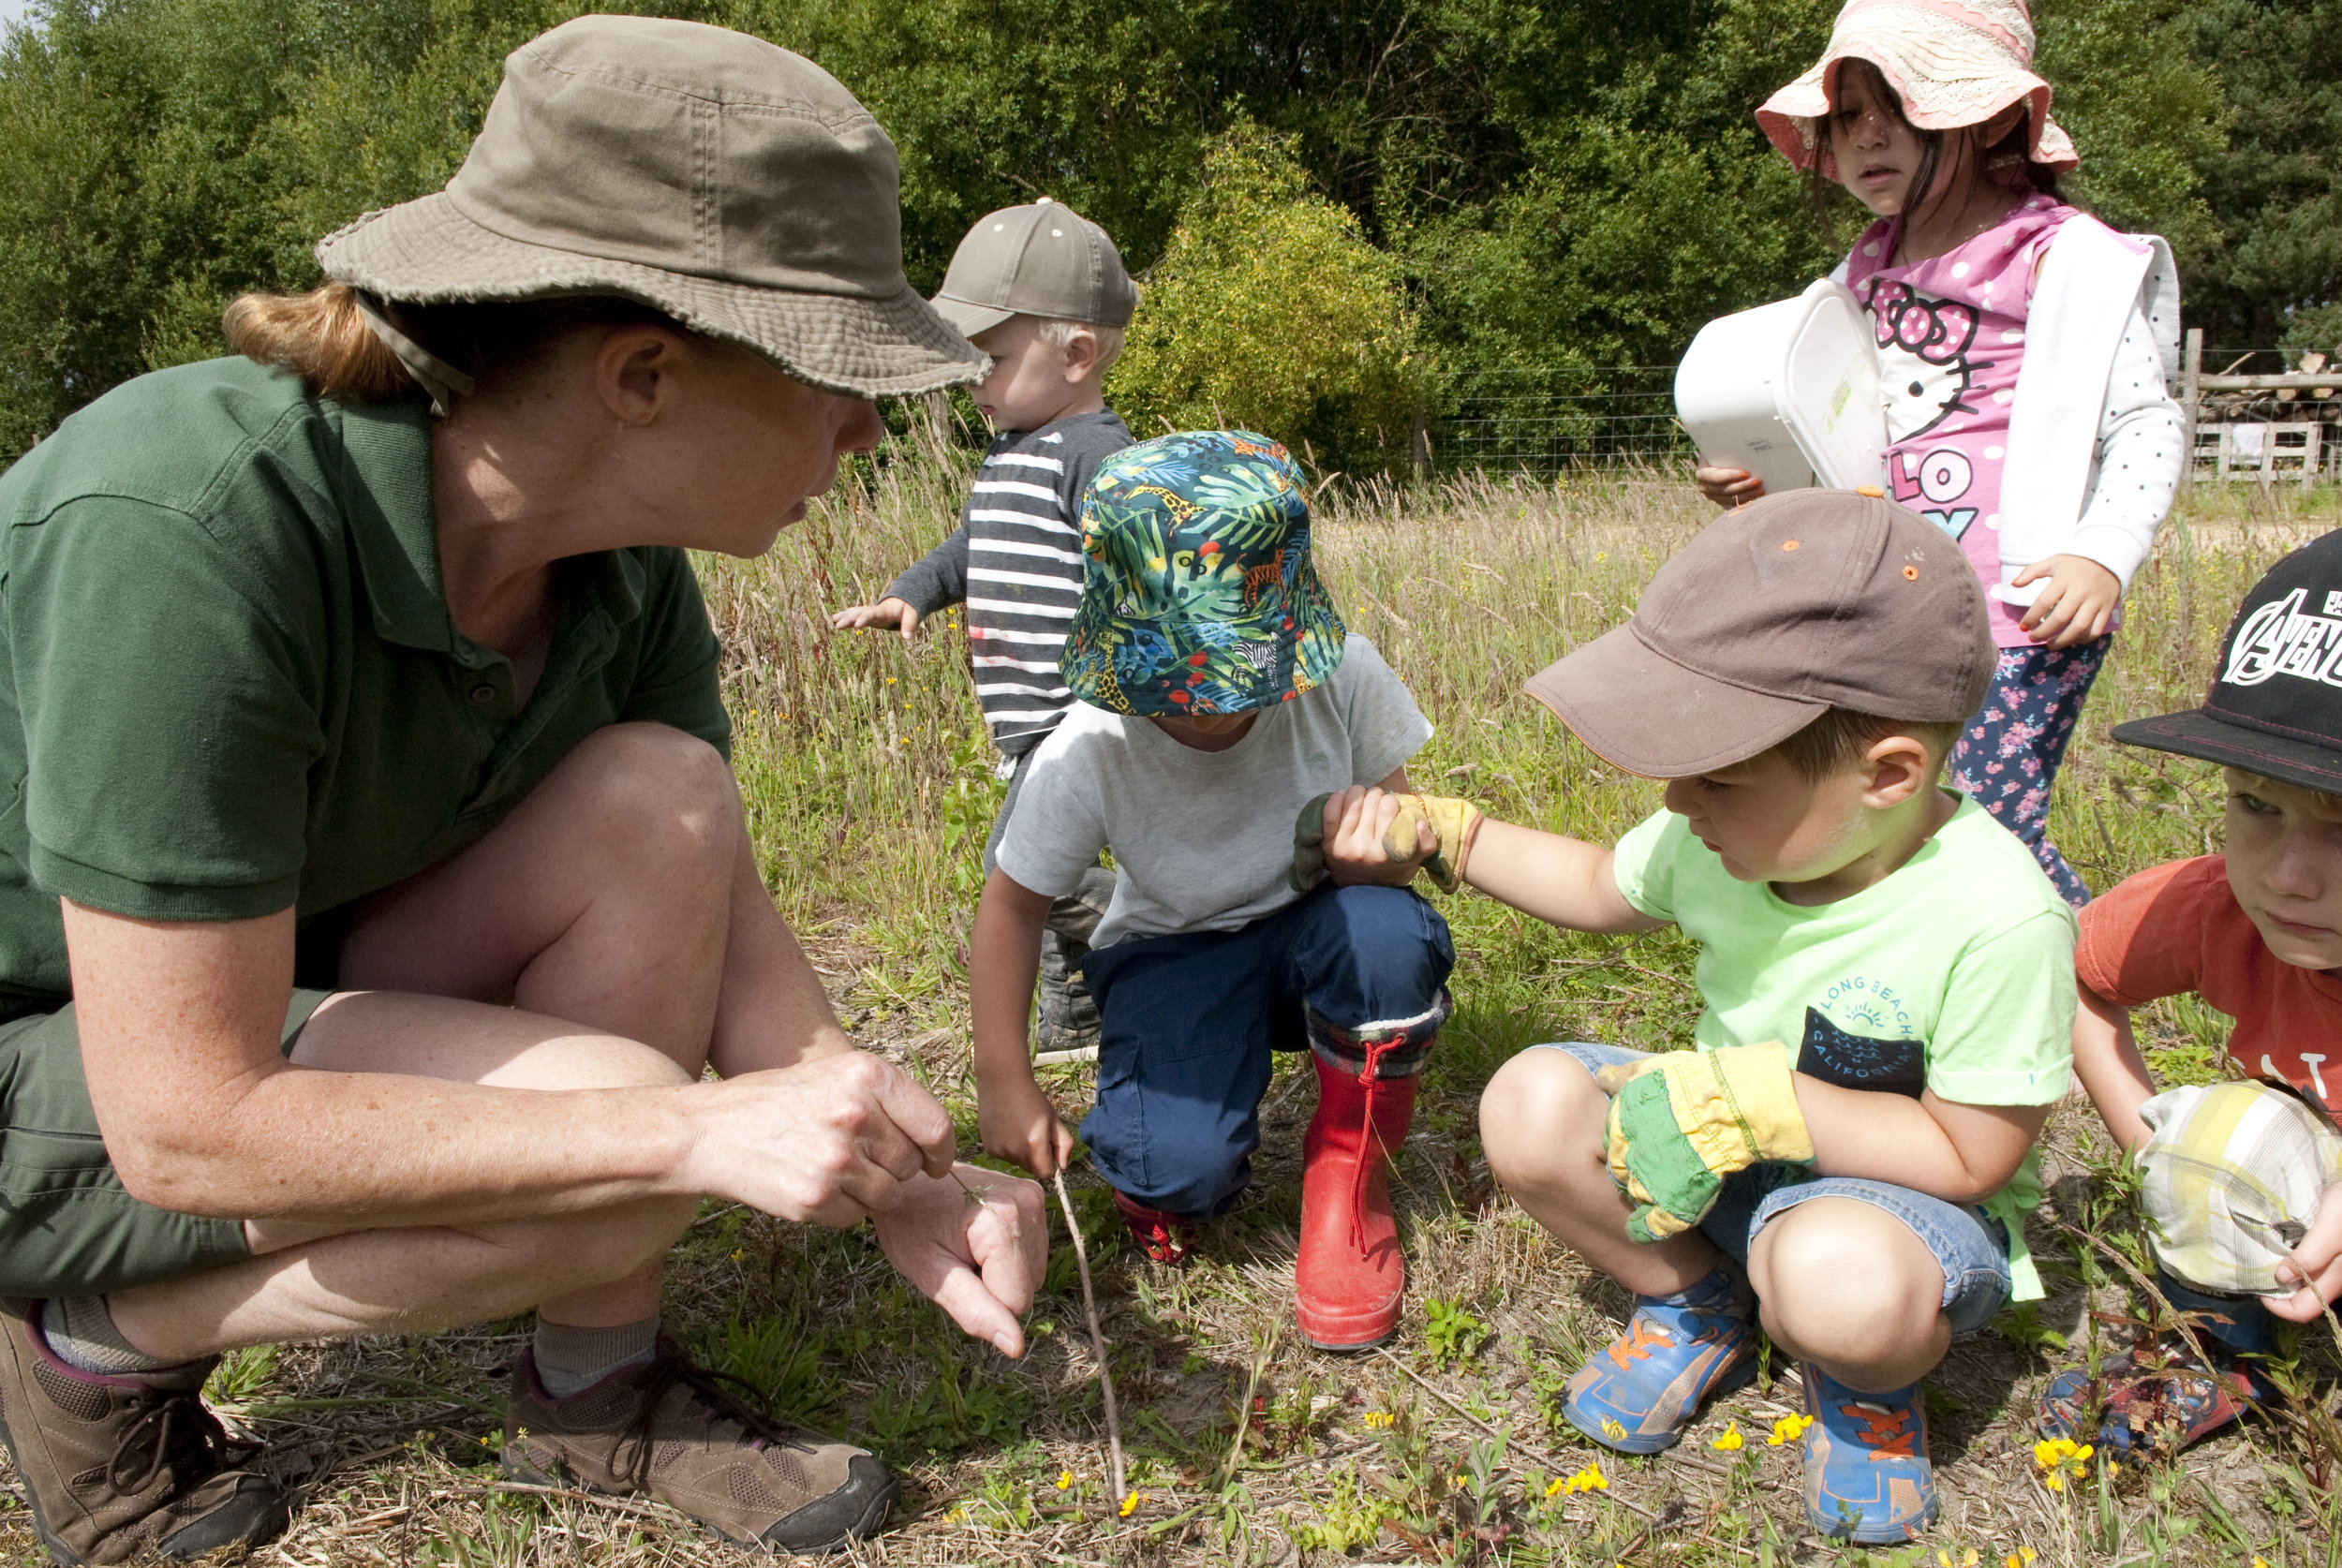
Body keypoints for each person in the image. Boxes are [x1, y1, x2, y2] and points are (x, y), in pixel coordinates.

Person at [0, 18, 1047, 1563]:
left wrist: (894, 1162)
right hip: (73, 1055)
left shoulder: (615, 575)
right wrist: (691, 1136)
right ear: (640, 372)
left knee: (664, 800)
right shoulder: (187, 528)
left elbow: (713, 892)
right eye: (836, 375)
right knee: (629, 1129)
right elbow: (186, 1122)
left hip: (272, 998)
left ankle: (595, 1394)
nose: (867, 427)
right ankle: (94, 1343)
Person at [1442, 492, 2075, 1544]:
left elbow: (1969, 1154)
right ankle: (1697, 1297)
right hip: (1717, 1150)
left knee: (1838, 1280)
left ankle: (1864, 1385)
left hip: (1893, 1210)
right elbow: (1601, 885)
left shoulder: (1997, 917)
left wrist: (1770, 1102)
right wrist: (1452, 835)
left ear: (1887, 775)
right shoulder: (1720, 832)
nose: (1681, 802)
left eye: (1720, 777)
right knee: (1528, 1102)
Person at [967, 430, 1466, 1352]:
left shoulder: (1340, 676)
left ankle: (1347, 1185)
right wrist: (1005, 1079)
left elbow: (1404, 832)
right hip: (1175, 950)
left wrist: (1375, 861)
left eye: (1234, 677)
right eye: (1176, 679)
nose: (1205, 704)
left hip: (1321, 926)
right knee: (1173, 1174)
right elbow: (1013, 904)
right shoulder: (1088, 745)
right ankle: (1169, 1156)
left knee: (1388, 933)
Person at [1696, 0, 2186, 907]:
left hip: (2023, 604)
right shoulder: (1863, 268)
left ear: (1993, 118)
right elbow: (1831, 418)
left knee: (1986, 828)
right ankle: (1935, 1001)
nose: (1867, 138)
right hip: (1890, 602)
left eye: (1902, 109)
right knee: (1898, 820)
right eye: (1846, 118)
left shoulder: (2058, 255)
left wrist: (2100, 552)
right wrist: (1769, 483)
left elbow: (2147, 423)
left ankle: (2068, 992)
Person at [2040, 531, 2342, 1456]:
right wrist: (2154, 1145)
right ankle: (2217, 1339)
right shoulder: (2213, 911)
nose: (2288, 875)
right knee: (2224, 1134)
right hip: (2307, 1197)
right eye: (2257, 804)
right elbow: (2072, 976)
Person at [831, 201, 1137, 1054]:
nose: (972, 377)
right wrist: (912, 594)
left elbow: (1141, 572)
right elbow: (974, 550)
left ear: (1077, 356)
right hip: (1029, 722)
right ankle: (1076, 1017)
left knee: (1024, 869)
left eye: (992, 358)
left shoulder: (1095, 456)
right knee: (1031, 861)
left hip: (1078, 715)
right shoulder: (1010, 452)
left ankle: (1155, 919)